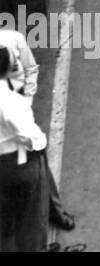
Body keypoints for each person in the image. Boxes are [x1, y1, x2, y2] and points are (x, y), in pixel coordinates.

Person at [0, 31, 75, 233]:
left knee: (40, 170)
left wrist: (27, 101)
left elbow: (31, 68)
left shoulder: (13, 39)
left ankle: (55, 212)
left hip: (19, 113)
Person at [0, 45, 50, 253]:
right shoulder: (10, 101)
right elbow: (28, 136)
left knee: (4, 214)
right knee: (30, 218)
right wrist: (39, 145)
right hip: (17, 161)